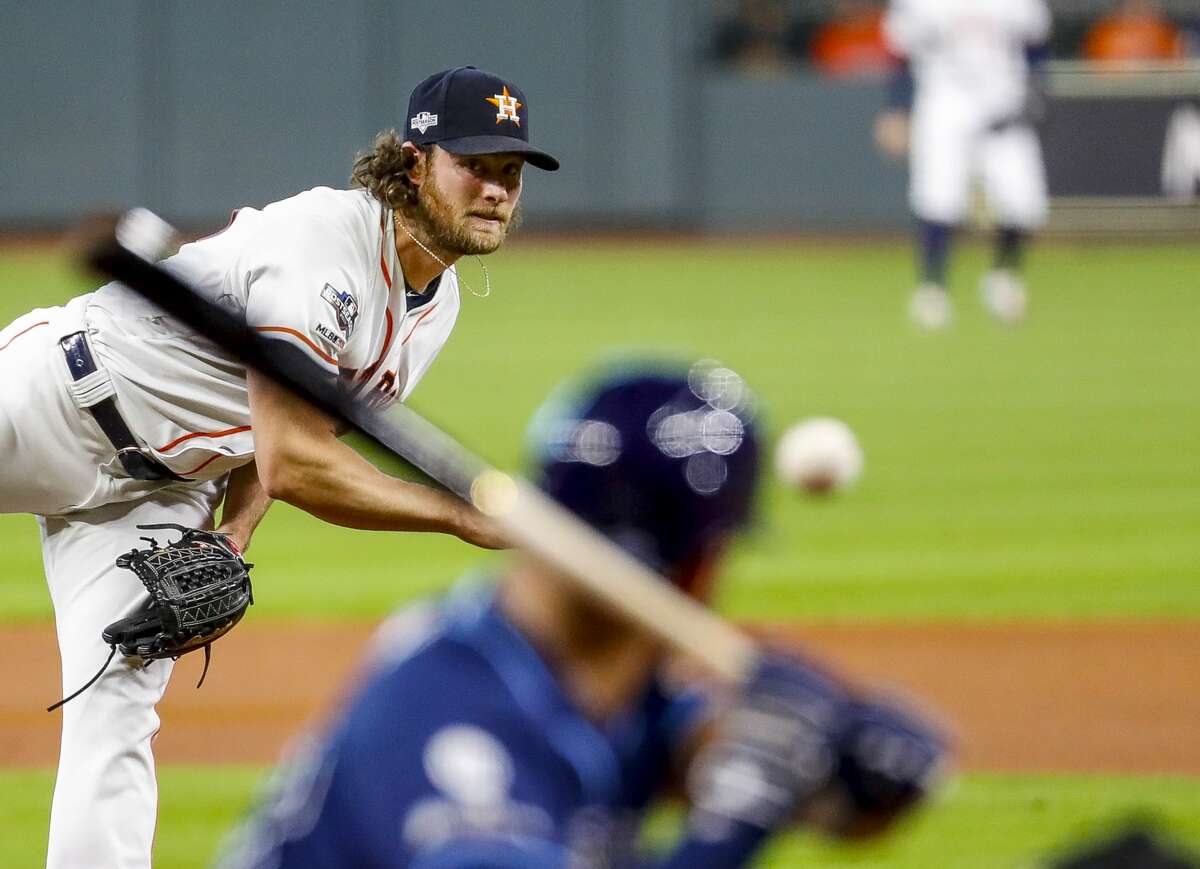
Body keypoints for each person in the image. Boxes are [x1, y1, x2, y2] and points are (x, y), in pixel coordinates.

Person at [0, 65, 558, 869]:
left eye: (510, 173)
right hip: (53, 400)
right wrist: (457, 512)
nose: (497, 190)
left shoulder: (439, 304)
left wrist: (233, 530)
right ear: (413, 163)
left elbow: (294, 430)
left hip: (160, 494)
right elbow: (298, 463)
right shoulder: (324, 245)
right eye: (476, 165)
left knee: (115, 711)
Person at [218, 360, 947, 868]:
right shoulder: (447, 709)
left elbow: (725, 750)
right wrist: (739, 816)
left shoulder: (603, 681)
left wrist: (847, 761)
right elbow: (734, 783)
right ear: (699, 565)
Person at [874, 0, 1052, 329]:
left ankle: (1003, 277)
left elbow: (1036, 45)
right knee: (938, 196)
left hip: (1004, 99)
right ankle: (932, 288)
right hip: (944, 100)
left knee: (1022, 199)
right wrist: (896, 108)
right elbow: (899, 53)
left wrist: (1037, 90)